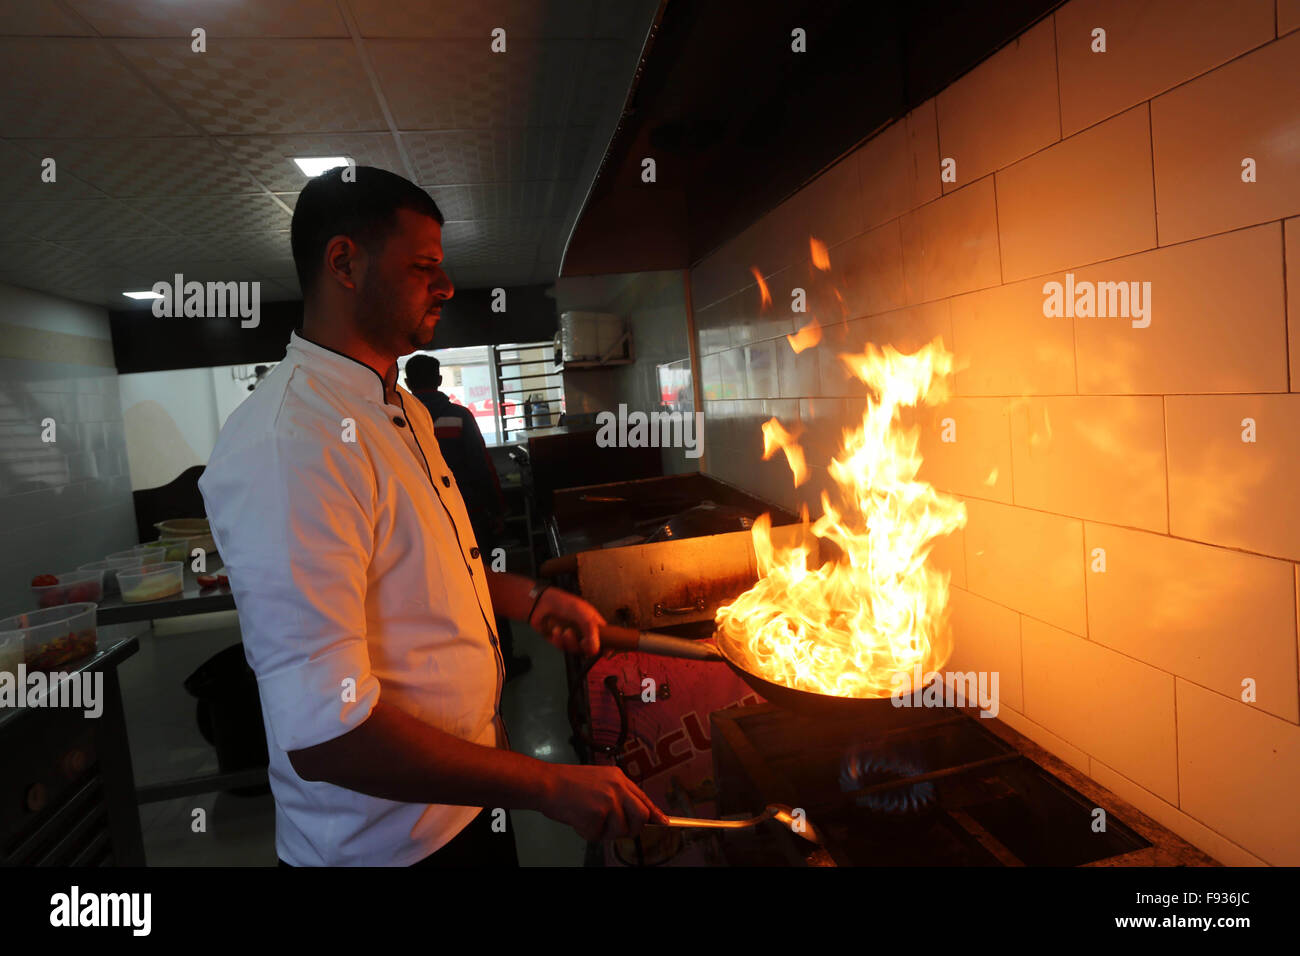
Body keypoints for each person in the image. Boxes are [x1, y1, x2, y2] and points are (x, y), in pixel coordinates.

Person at [198, 165, 665, 867]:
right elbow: (330, 736)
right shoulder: (288, 443)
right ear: (344, 263)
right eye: (424, 266)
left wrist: (526, 598)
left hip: (465, 805)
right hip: (386, 851)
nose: (446, 286)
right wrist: (545, 784)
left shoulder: (401, 404)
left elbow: (420, 567)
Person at [403, 355, 531, 679]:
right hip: (469, 519)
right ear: (440, 381)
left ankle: (458, 667)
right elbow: (482, 467)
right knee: (486, 585)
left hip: (419, 526)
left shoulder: (399, 420)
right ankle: (504, 660)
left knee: (437, 593)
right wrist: (498, 510)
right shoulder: (457, 417)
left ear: (406, 382)